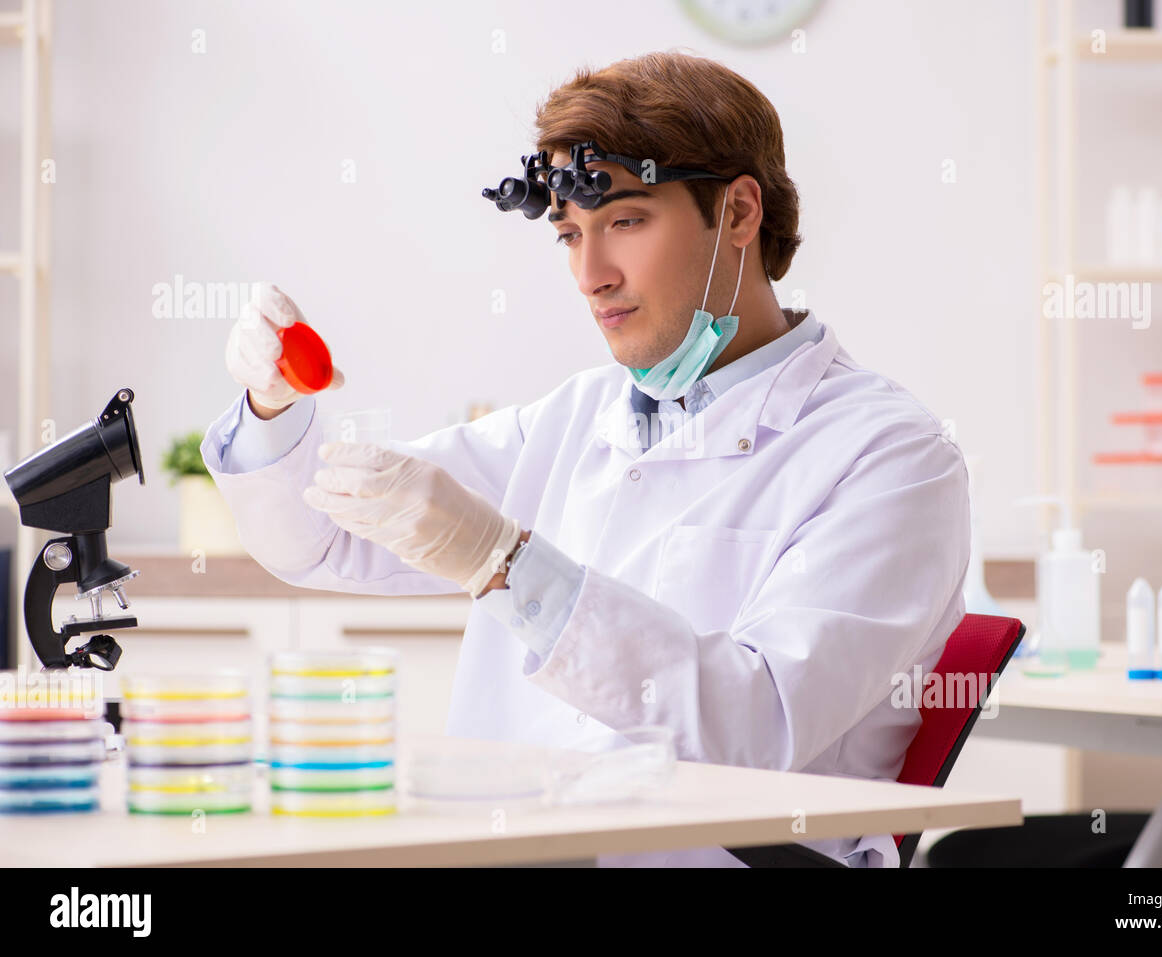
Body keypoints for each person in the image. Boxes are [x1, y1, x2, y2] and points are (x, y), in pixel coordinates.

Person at [201, 51, 970, 867]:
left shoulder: (890, 456)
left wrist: (503, 564)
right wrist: (270, 409)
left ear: (739, 212)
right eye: (570, 234)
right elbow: (322, 541)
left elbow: (756, 727)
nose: (590, 275)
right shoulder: (575, 418)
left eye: (626, 222)